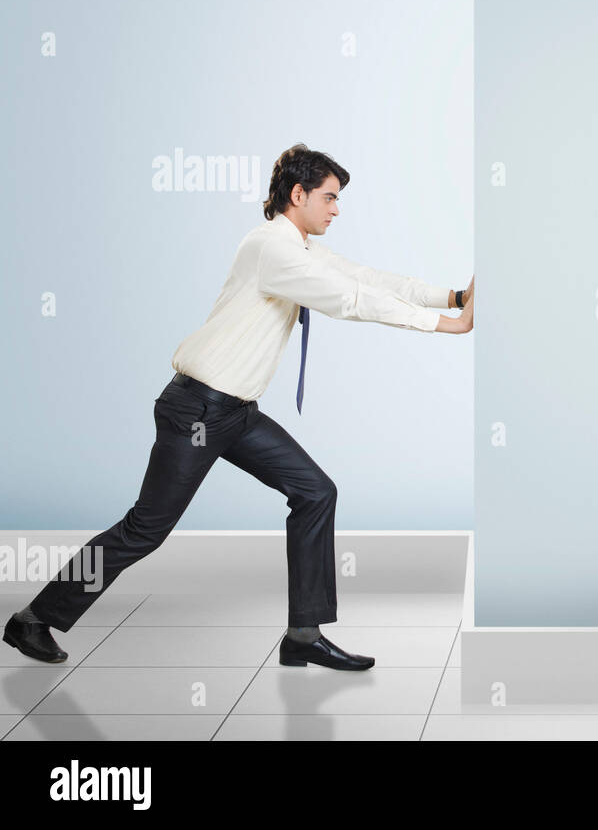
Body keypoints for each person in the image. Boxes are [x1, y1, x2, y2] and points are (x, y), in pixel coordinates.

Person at [3, 143, 474, 671]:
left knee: (315, 491)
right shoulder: (272, 249)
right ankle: (33, 620)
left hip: (235, 412)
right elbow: (348, 300)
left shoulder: (298, 248)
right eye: (329, 197)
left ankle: (302, 635)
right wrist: (446, 325)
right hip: (198, 410)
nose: (336, 209)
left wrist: (453, 296)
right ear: (298, 195)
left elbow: (365, 279)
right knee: (145, 530)